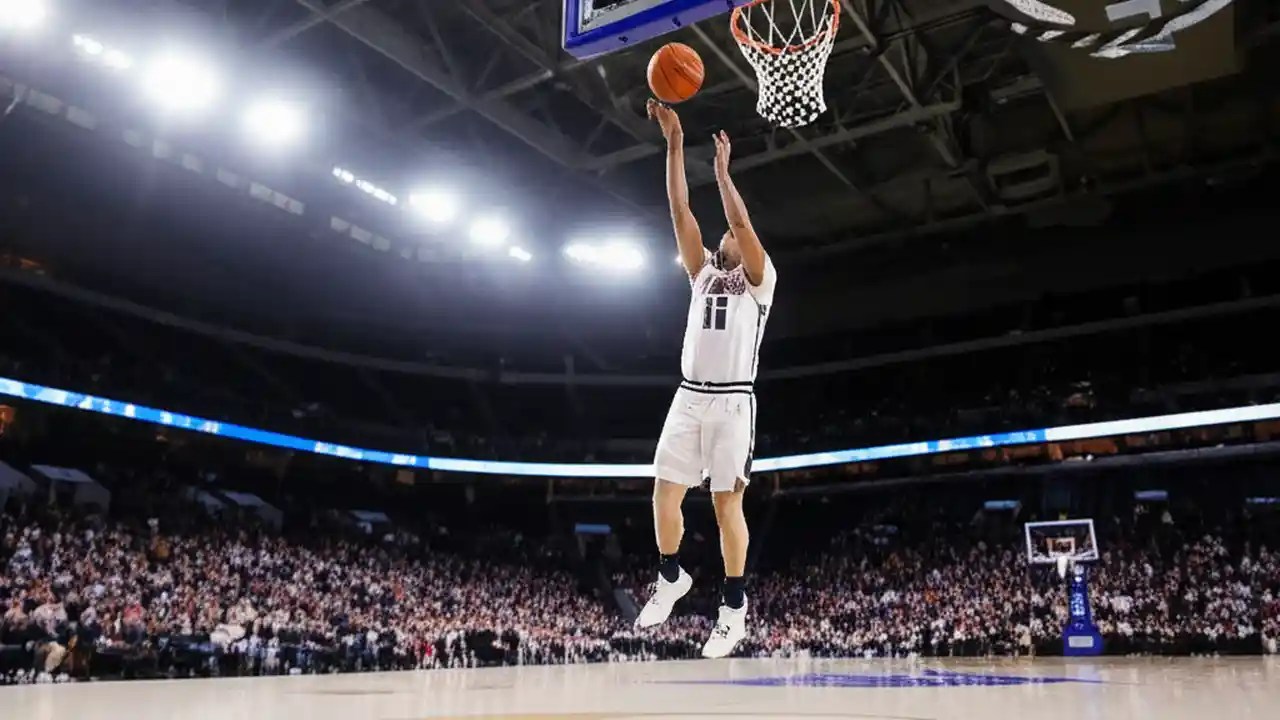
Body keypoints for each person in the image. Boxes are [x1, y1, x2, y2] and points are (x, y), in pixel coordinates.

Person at [636, 99, 777, 659]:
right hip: (689, 396)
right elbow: (678, 208)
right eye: (727, 235)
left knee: (726, 507)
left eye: (739, 234)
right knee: (663, 494)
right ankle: (670, 576)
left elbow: (740, 220)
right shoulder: (700, 276)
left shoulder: (762, 281)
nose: (732, 234)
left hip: (733, 404)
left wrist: (723, 175)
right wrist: (674, 143)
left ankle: (733, 608)